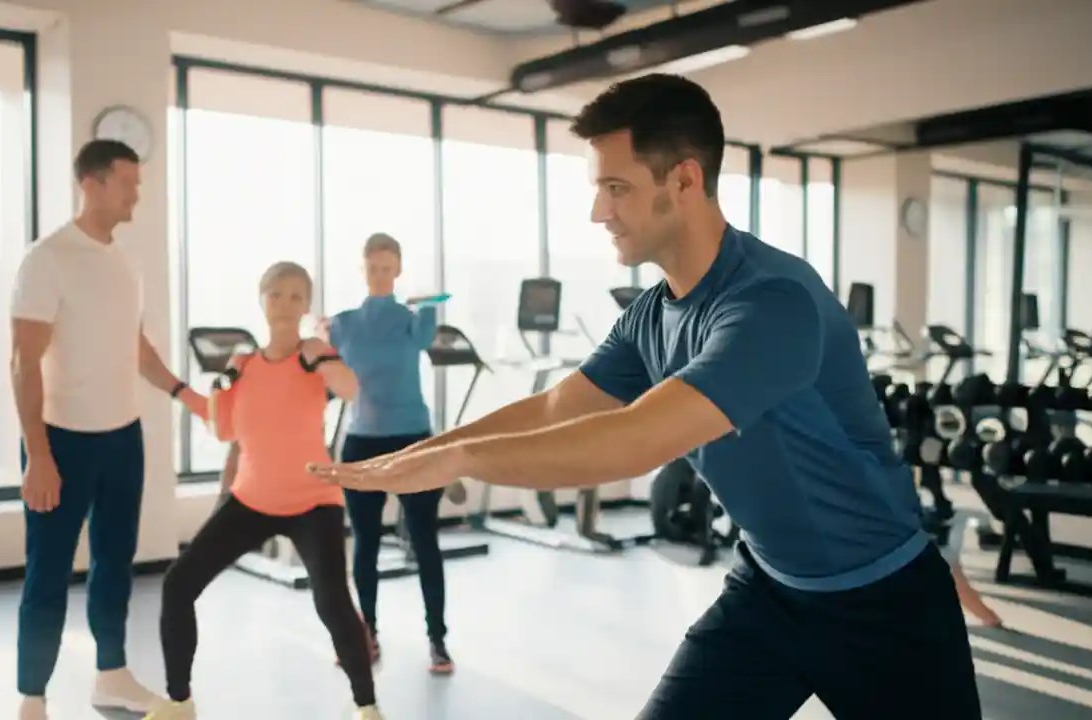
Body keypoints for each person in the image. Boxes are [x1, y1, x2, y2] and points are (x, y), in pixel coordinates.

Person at [309, 73, 983, 719]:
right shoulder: (652, 316)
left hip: (886, 605)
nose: (597, 210)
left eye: (615, 187)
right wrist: (421, 452)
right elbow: (554, 408)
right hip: (772, 592)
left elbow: (636, 439)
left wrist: (455, 464)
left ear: (684, 179)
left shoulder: (770, 303)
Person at [145, 262, 383, 720]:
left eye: (296, 296)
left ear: (306, 305)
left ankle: (367, 708)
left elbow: (351, 389)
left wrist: (324, 356)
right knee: (178, 585)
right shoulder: (242, 364)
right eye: (276, 294)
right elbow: (222, 427)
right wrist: (180, 388)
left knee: (332, 601)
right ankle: (179, 702)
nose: (285, 303)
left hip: (314, 500)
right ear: (262, 299)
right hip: (252, 500)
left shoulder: (312, 355)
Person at [10, 140, 195, 720]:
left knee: (116, 561)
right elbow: (23, 360)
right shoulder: (48, 258)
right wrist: (38, 455)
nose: (136, 192)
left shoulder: (124, 261)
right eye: (127, 182)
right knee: (49, 570)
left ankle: (110, 676)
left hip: (122, 438)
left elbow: (133, 346)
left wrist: (184, 393)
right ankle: (32, 697)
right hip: (62, 441)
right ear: (91, 183)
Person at [320, 232, 453, 675]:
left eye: (387, 267)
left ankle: (437, 640)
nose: (379, 275)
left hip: (413, 439)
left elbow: (429, 328)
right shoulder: (341, 324)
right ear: (363, 270)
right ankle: (367, 633)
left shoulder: (414, 320)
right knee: (365, 544)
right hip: (363, 442)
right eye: (372, 267)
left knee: (425, 542)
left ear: (398, 271)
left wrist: (432, 299)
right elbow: (322, 370)